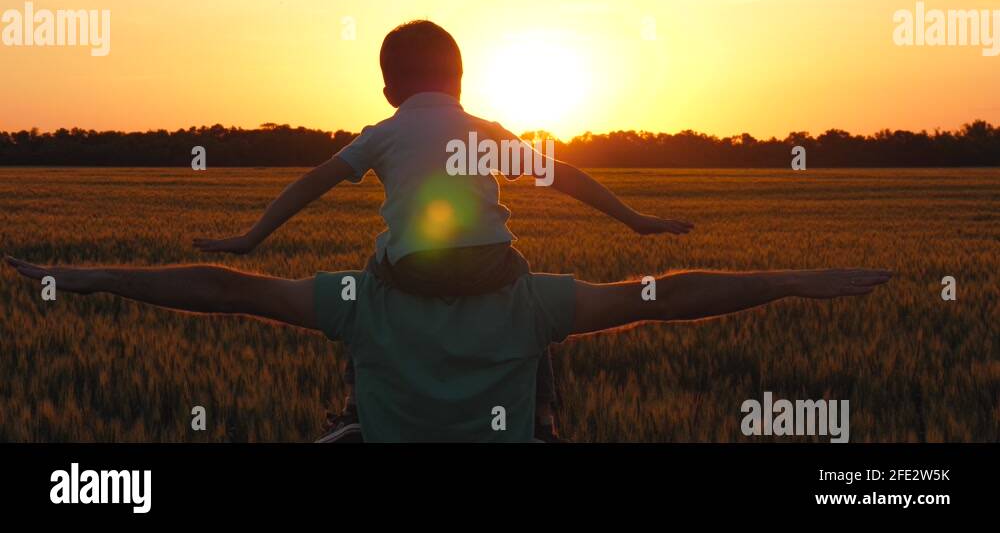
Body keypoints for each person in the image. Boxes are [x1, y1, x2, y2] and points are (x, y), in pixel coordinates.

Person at [192, 20, 693, 441]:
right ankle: (541, 415)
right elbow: (561, 174)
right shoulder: (485, 130)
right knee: (528, 301)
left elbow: (311, 184)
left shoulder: (382, 134)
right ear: (459, 83)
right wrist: (634, 219)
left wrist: (252, 236)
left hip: (413, 270)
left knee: (365, 292)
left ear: (389, 91)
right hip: (490, 267)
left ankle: (355, 406)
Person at [5, 255, 891, 442]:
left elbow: (225, 289)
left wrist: (88, 278)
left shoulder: (356, 299)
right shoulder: (532, 301)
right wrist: (791, 279)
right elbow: (664, 298)